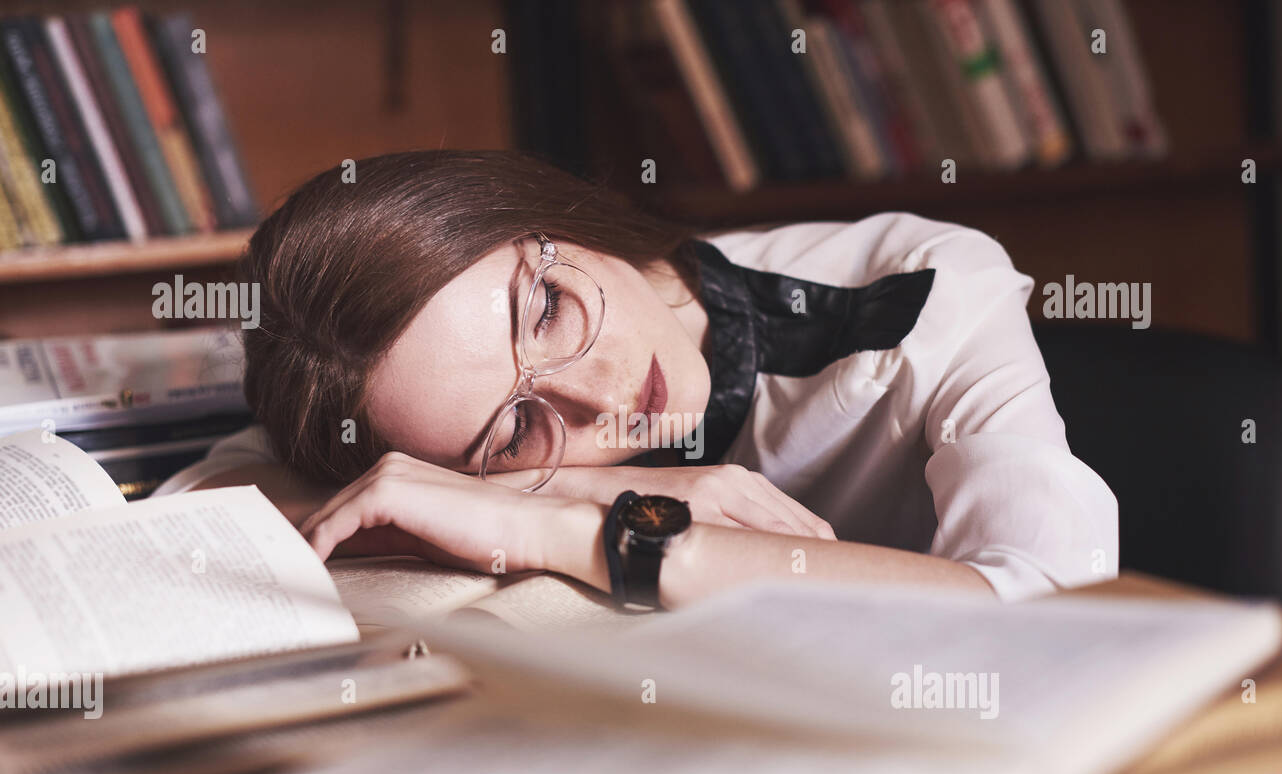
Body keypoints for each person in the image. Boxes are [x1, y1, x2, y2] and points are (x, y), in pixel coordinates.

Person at [156, 150, 1118, 609]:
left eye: (545, 310)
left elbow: (1056, 599)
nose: (599, 393)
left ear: (545, 211)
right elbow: (191, 509)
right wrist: (579, 476)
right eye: (514, 431)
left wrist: (606, 531)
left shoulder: (921, 288)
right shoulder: (475, 434)